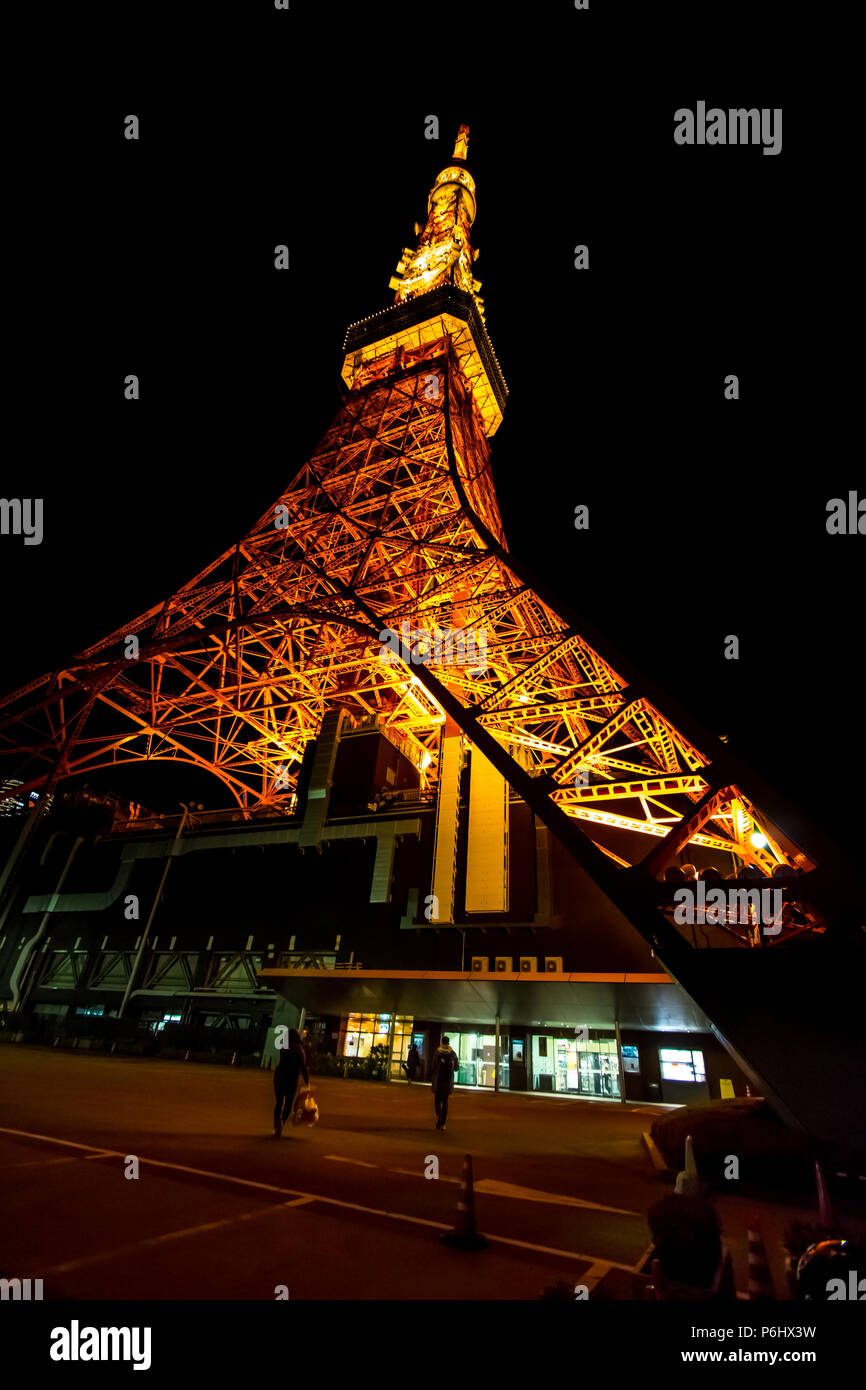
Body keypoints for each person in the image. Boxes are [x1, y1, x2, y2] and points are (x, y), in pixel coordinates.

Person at [273, 1027, 309, 1137]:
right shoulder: (299, 1049)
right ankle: (282, 1122)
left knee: (279, 1102)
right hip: (291, 1078)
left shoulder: (284, 1047)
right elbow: (303, 1066)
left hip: (279, 1076)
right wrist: (307, 1080)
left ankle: (275, 1126)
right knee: (288, 1102)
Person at [430, 1035, 458, 1130]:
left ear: (442, 1042)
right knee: (445, 1101)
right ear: (448, 1042)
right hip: (448, 1081)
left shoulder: (437, 1052)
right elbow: (456, 1068)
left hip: (438, 1081)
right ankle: (443, 1123)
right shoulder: (452, 1053)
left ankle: (439, 1116)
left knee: (437, 1100)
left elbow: (433, 1066)